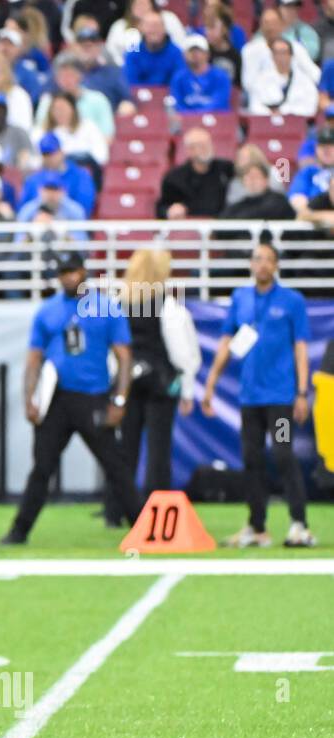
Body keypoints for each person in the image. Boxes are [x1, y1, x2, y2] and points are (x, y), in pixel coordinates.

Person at [0, 252, 142, 545]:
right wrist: (30, 398)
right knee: (42, 467)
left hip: (93, 397)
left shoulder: (105, 307)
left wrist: (119, 400)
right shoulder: (48, 311)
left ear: (84, 272)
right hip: (57, 400)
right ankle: (19, 530)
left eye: (73, 271)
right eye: (63, 272)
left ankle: (142, 527)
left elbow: (124, 358)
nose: (68, 277)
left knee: (115, 465)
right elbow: (33, 360)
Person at [202, 242, 315, 548]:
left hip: (280, 397)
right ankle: (256, 526)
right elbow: (227, 341)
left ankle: (299, 524)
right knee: (251, 458)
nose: (262, 264)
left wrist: (302, 392)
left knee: (283, 454)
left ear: (276, 266)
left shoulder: (292, 301)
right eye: (257, 259)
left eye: (268, 259)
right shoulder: (240, 298)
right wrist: (211, 383)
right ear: (250, 264)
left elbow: (301, 347)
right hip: (250, 398)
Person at [102, 249, 200, 526]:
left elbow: (114, 351)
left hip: (128, 383)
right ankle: (155, 510)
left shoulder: (119, 303)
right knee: (158, 450)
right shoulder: (168, 306)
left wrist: (116, 388)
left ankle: (115, 509)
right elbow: (182, 353)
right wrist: (188, 388)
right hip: (161, 384)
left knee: (125, 449)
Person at [156, 127, 233, 219]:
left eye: (208, 143)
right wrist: (170, 211)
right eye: (201, 145)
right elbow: (162, 208)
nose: (206, 148)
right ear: (189, 150)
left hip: (221, 227)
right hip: (187, 229)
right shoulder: (174, 178)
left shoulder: (226, 169)